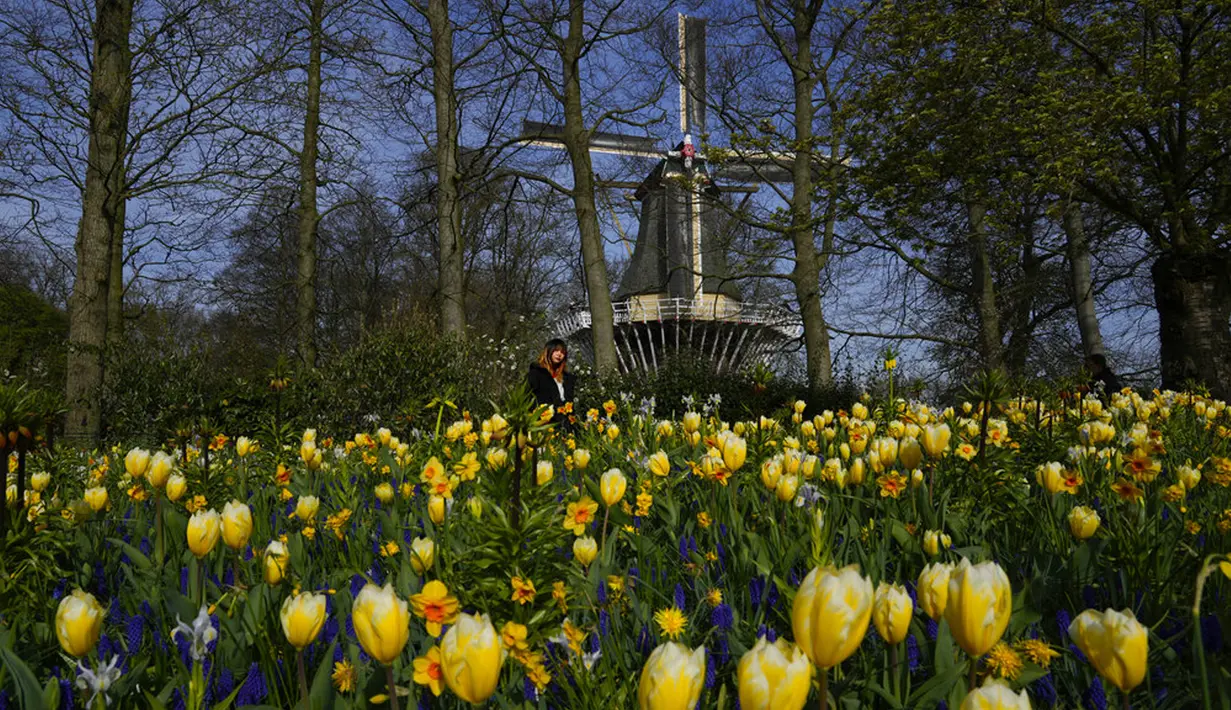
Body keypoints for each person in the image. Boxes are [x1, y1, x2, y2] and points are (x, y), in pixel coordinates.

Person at [528, 339, 576, 426]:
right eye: (556, 350)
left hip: (563, 423)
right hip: (543, 422)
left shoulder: (567, 378)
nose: (559, 354)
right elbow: (527, 397)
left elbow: (569, 402)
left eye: (562, 352)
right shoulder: (536, 373)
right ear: (548, 352)